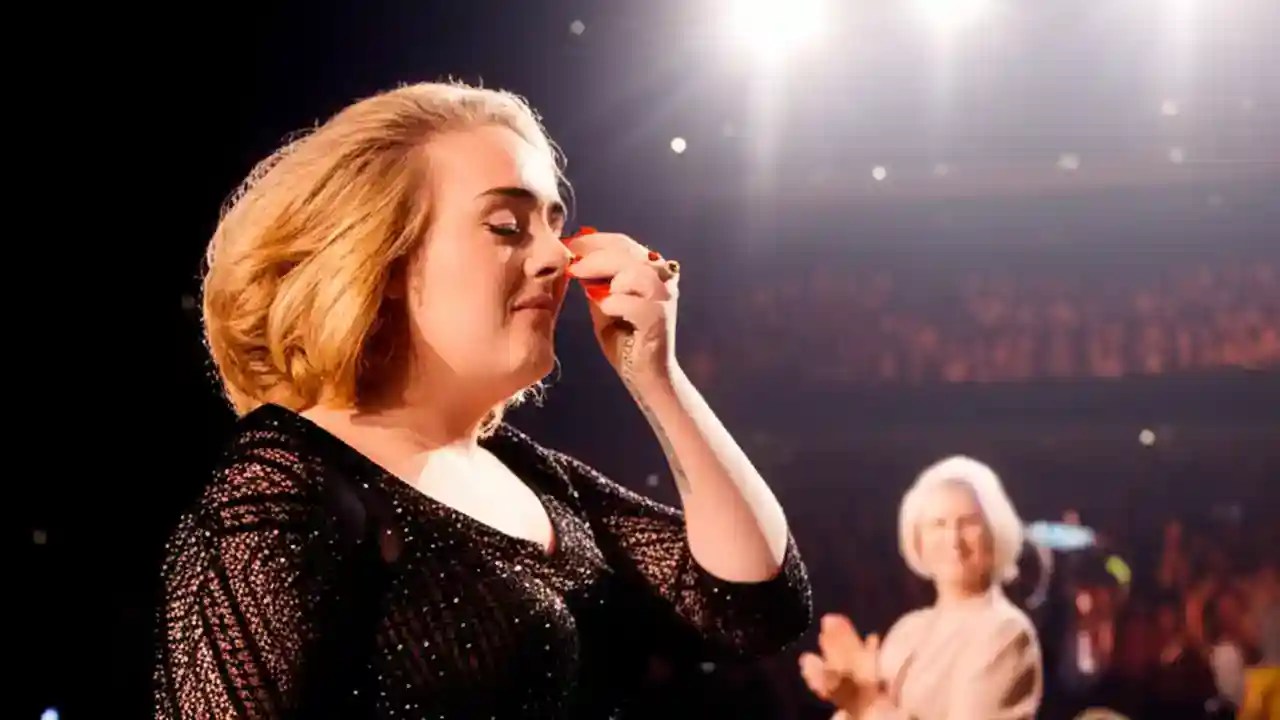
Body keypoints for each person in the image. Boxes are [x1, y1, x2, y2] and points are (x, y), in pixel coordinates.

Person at [153, 81, 812, 719]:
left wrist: (657, 379)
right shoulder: (277, 494)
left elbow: (756, 607)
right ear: (379, 259)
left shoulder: (530, 475)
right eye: (506, 225)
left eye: (556, 224)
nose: (558, 255)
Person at [799, 455, 1043, 720]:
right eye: (938, 524)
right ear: (918, 539)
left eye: (969, 523)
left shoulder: (1005, 632)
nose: (953, 539)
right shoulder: (908, 630)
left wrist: (865, 704)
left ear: (996, 532)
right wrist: (850, 695)